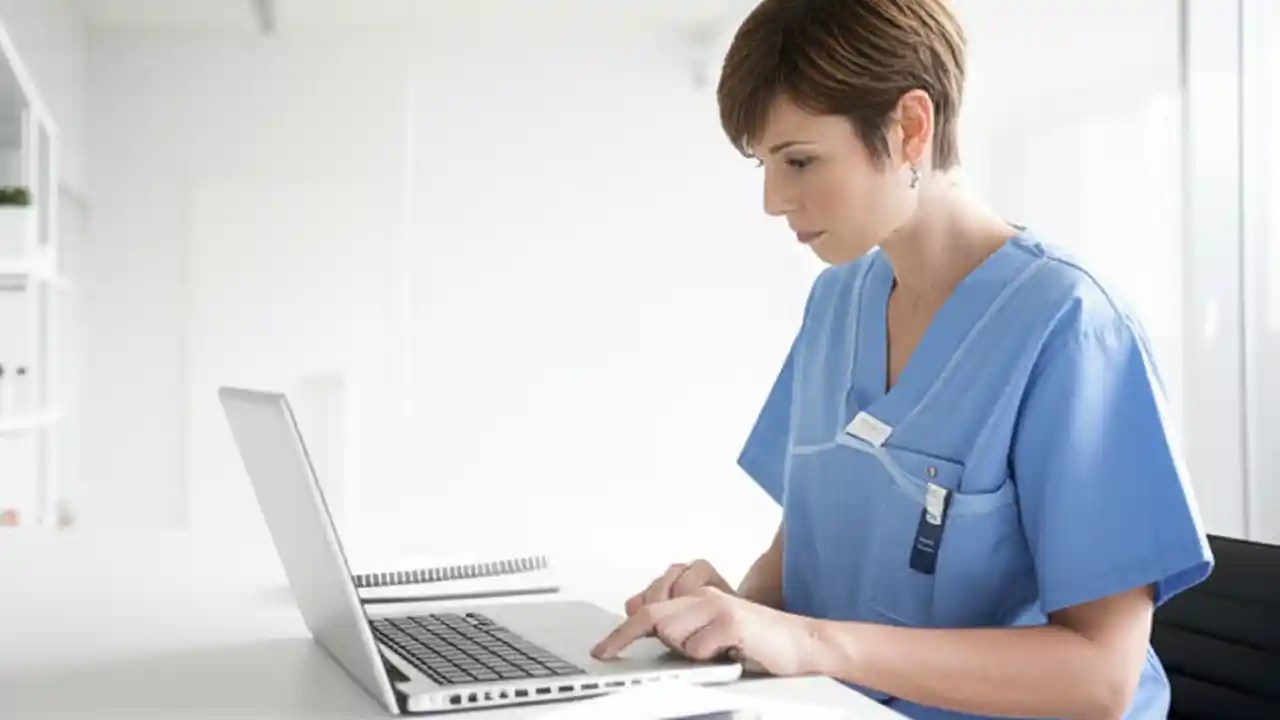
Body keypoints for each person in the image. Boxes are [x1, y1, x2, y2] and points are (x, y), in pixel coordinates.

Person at [590, 1, 1214, 718]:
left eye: (798, 160)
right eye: (764, 164)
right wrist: (727, 615)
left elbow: (1100, 680)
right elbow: (805, 565)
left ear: (910, 128)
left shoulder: (1071, 327)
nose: (772, 200)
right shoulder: (837, 304)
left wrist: (814, 644)